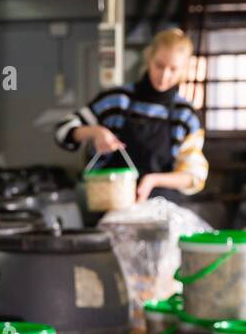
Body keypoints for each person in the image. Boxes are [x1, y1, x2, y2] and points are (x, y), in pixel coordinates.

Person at [54, 28, 208, 203]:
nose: (165, 75)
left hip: (162, 210)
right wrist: (95, 131)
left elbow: (194, 176)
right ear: (149, 58)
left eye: (173, 69)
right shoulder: (116, 101)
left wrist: (153, 180)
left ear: (184, 69)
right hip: (110, 205)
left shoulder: (185, 115)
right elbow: (61, 130)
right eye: (159, 65)